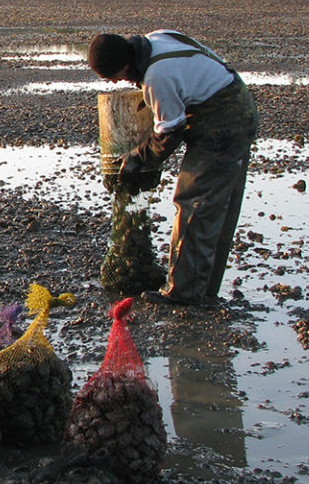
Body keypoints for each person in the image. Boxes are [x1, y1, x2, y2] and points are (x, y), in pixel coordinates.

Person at [87, 30, 258, 307]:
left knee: (194, 202)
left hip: (223, 125)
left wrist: (138, 158)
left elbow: (170, 133)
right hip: (239, 106)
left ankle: (183, 294)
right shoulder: (156, 39)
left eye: (112, 75)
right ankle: (205, 289)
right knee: (217, 207)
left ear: (123, 63)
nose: (116, 81)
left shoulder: (157, 77)